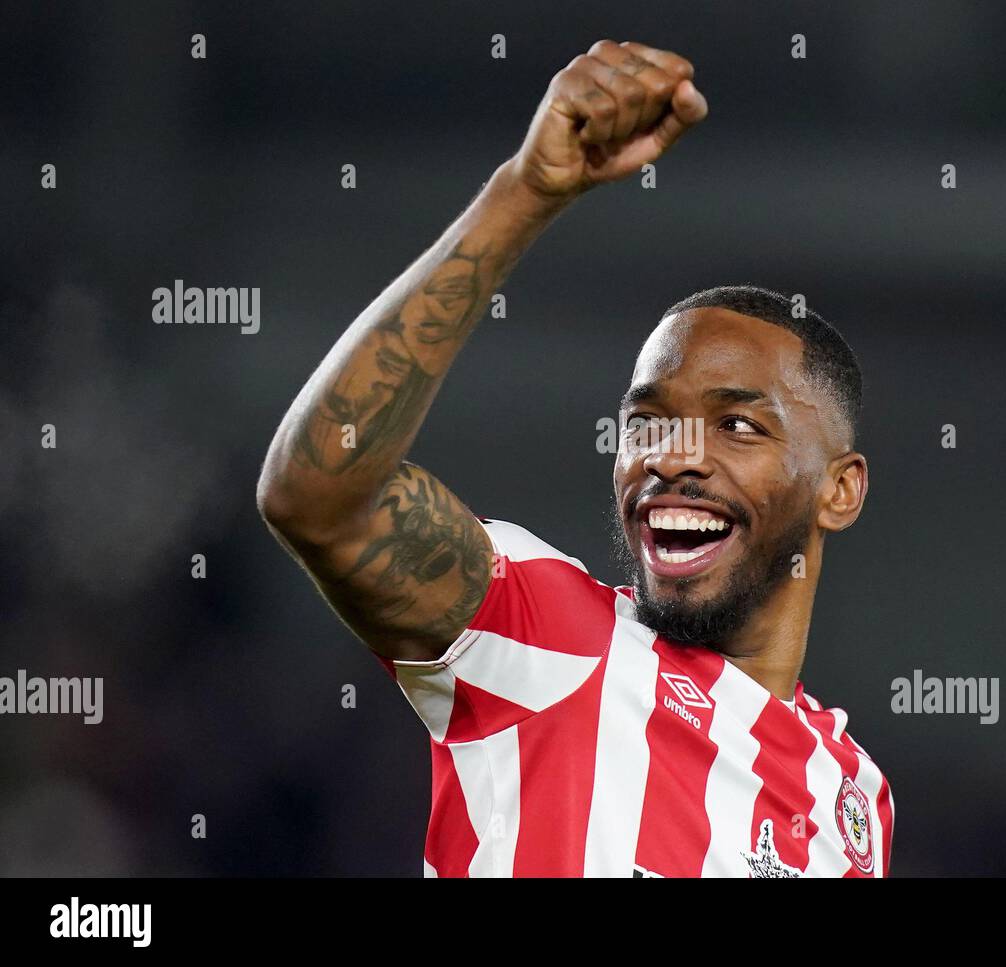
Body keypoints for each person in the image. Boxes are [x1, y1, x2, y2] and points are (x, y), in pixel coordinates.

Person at [257, 39, 892, 877]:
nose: (674, 457)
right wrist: (526, 192)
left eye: (738, 426)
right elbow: (318, 496)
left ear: (840, 491)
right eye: (647, 423)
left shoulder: (853, 799)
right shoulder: (550, 636)